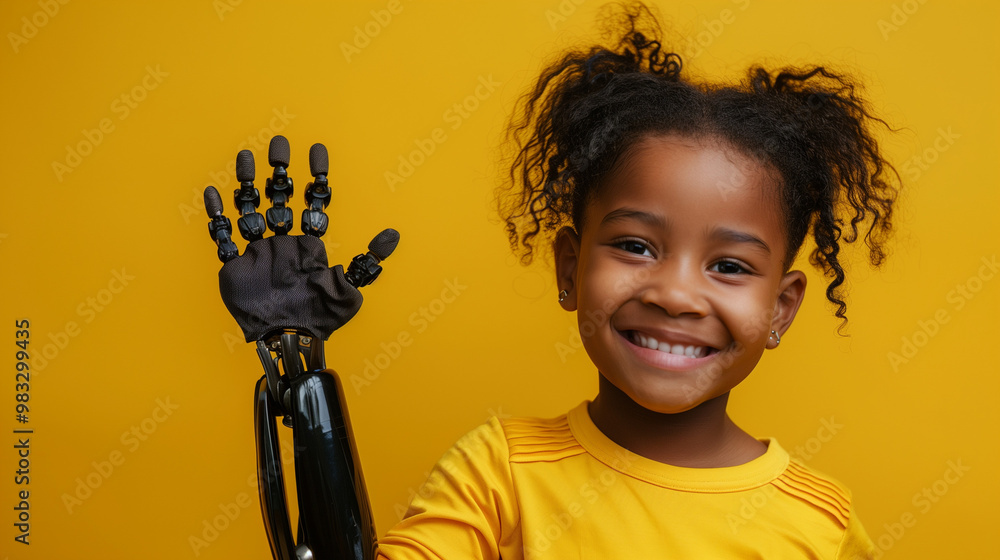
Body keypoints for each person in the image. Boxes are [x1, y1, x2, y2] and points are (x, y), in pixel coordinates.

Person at [375, 3, 899, 559]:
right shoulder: (498, 476)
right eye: (635, 246)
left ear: (780, 308)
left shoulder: (823, 524)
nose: (673, 296)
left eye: (728, 266)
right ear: (572, 269)